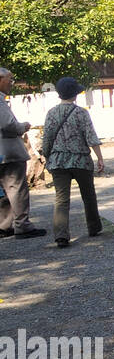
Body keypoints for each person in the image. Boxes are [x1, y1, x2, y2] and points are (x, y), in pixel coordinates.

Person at [41, 77, 105, 248]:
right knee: (88, 195)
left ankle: (61, 235)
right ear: (75, 94)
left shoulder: (51, 113)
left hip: (58, 161)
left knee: (61, 199)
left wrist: (48, 157)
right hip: (80, 160)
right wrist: (100, 158)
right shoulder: (81, 113)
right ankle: (94, 227)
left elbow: (46, 139)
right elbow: (91, 137)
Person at [0, 67, 45, 239]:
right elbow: (7, 125)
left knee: (3, 191)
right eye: (9, 80)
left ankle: (4, 225)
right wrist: (23, 126)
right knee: (16, 189)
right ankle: (22, 225)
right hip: (8, 152)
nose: (11, 83)